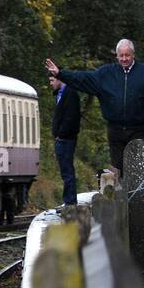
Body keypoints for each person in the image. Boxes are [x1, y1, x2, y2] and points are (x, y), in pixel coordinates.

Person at [45, 40, 144, 173]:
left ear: (133, 55)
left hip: (139, 129)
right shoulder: (106, 74)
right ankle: (122, 192)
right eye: (121, 55)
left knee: (137, 168)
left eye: (127, 55)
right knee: (118, 168)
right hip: (115, 130)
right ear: (116, 56)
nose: (124, 59)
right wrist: (60, 74)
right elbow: (82, 78)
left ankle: (138, 192)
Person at [50, 75, 81, 206]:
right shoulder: (60, 94)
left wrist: (61, 134)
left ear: (59, 79)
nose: (50, 83)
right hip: (62, 138)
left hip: (66, 139)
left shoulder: (70, 94)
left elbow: (71, 117)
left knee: (67, 171)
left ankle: (70, 201)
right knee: (65, 171)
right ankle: (68, 200)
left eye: (52, 80)